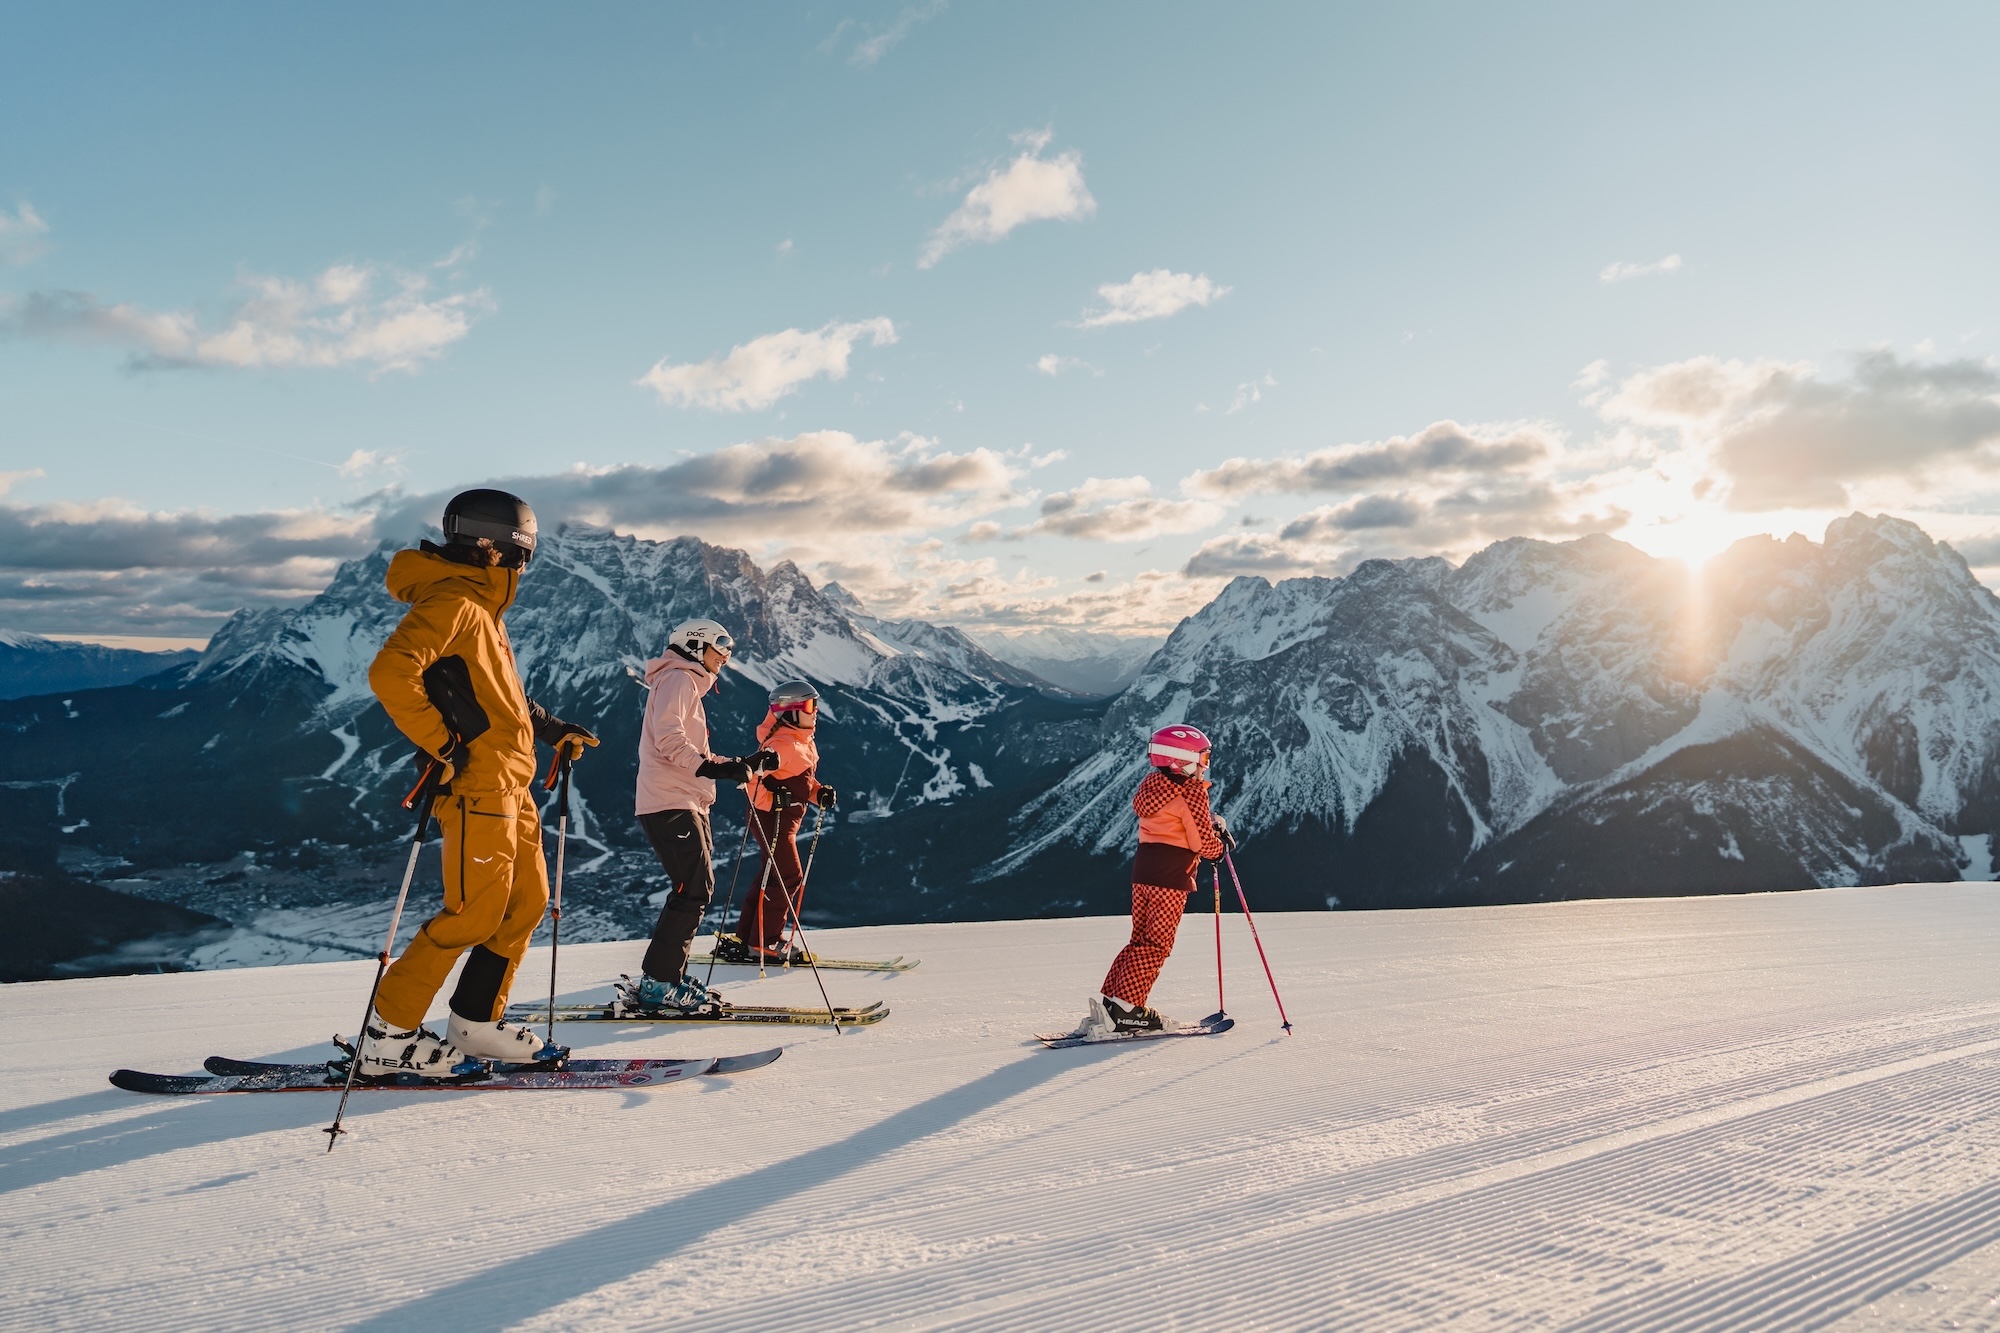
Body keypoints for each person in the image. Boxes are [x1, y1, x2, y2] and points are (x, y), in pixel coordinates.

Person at [357, 488, 600, 1077]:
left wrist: (550, 728)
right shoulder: (455, 604)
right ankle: (386, 1038)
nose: (525, 564)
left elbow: (499, 696)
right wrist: (442, 744)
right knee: (470, 915)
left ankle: (475, 1023)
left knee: (525, 904)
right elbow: (390, 673)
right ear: (496, 548)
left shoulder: (479, 609)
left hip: (509, 785)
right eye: (523, 553)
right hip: (476, 789)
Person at [620, 618, 777, 1013]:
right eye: (720, 645)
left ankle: (666, 976)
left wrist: (743, 764)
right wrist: (714, 770)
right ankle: (659, 983)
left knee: (695, 887)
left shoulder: (684, 682)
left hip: (684, 798)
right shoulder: (678, 680)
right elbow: (669, 740)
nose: (726, 654)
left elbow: (697, 754)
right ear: (694, 645)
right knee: (694, 887)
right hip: (669, 800)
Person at [1082, 724, 1227, 1036]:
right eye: (1202, 758)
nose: (1205, 765)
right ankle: (1128, 1010)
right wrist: (1220, 847)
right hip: (1171, 878)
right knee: (1157, 945)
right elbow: (1201, 842)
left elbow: (1174, 822)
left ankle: (1113, 1003)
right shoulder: (1191, 793)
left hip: (1144, 873)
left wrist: (1209, 826)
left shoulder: (1154, 785)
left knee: (1140, 941)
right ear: (1182, 760)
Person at [714, 679, 837, 965]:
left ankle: (747, 939)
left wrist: (818, 794)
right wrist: (770, 799)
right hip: (772, 820)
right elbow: (753, 772)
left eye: (815, 704)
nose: (815, 710)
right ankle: (765, 943)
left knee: (771, 875)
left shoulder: (801, 740)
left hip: (782, 821)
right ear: (790, 712)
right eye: (809, 705)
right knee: (788, 876)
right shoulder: (784, 743)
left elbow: (798, 779)